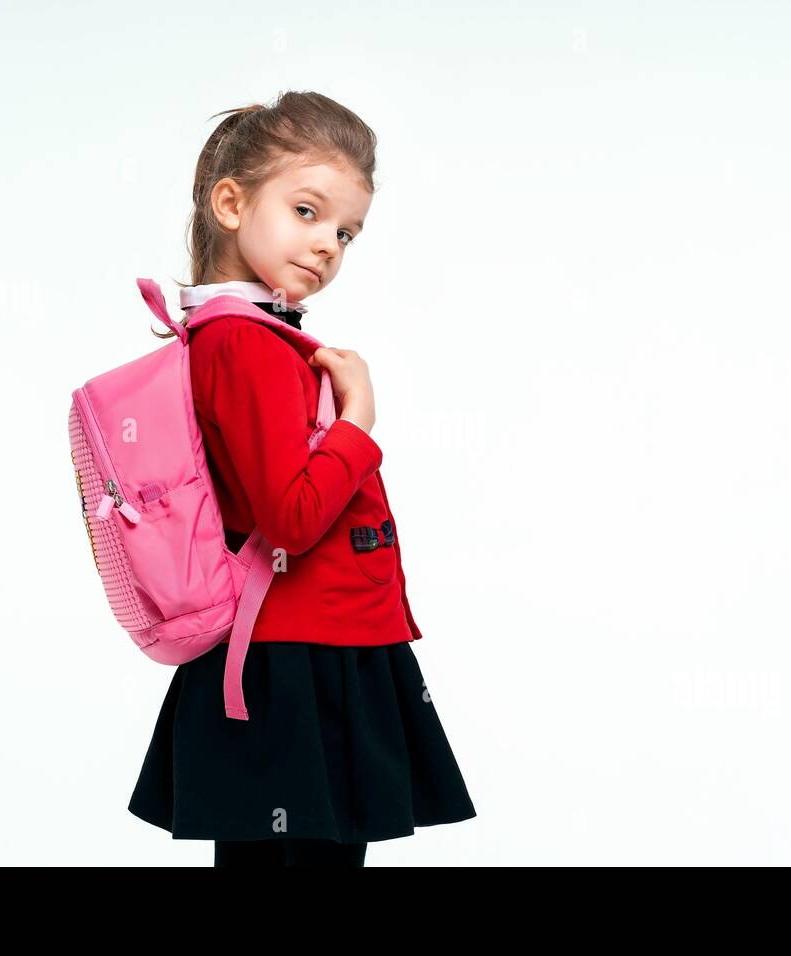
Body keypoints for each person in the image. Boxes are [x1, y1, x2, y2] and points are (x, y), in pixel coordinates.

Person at [126, 91, 477, 867]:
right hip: (296, 657)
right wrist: (357, 421)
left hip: (307, 645)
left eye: (346, 232)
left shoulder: (247, 337)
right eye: (307, 211)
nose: (328, 246)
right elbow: (289, 516)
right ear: (230, 202)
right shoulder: (245, 345)